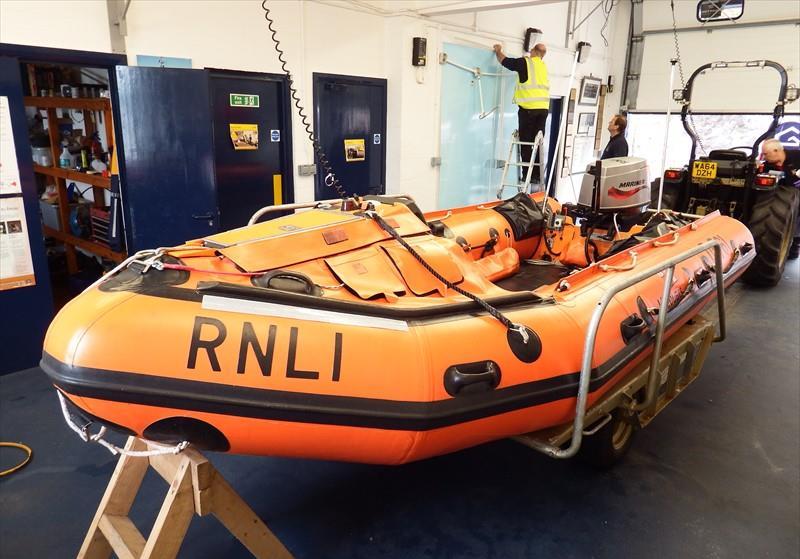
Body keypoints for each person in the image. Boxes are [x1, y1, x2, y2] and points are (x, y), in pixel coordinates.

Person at [493, 42, 549, 182]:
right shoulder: (542, 66)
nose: (529, 52)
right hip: (543, 110)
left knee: (526, 143)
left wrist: (498, 50)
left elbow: (505, 61)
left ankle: (527, 175)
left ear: (535, 52)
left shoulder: (526, 63)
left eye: (531, 50)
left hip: (529, 110)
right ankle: (536, 175)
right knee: (537, 144)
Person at [761, 138, 800, 259]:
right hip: (783, 198)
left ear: (778, 150)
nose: (764, 156)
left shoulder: (797, 157)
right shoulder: (767, 165)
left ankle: (795, 244)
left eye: (766, 154)